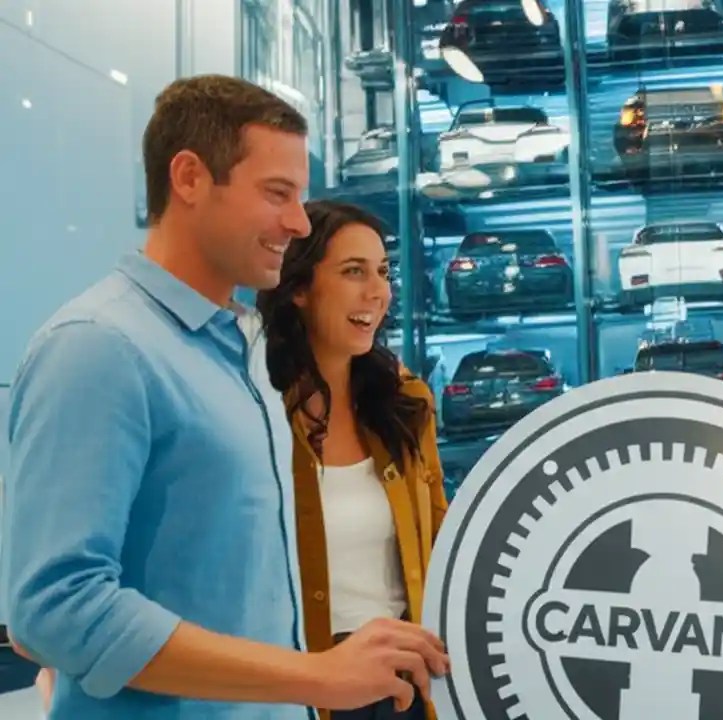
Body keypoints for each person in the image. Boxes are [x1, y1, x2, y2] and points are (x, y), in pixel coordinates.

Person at [0, 74, 448, 719]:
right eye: (277, 194)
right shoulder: (98, 347)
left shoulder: (244, 351)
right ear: (188, 178)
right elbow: (53, 610)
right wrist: (313, 676)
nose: (297, 223)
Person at [256, 200, 448, 720]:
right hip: (301, 686)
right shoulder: (256, 409)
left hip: (405, 687)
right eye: (353, 272)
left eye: (382, 272)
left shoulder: (406, 401)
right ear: (298, 288)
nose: (377, 291)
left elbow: (438, 532)